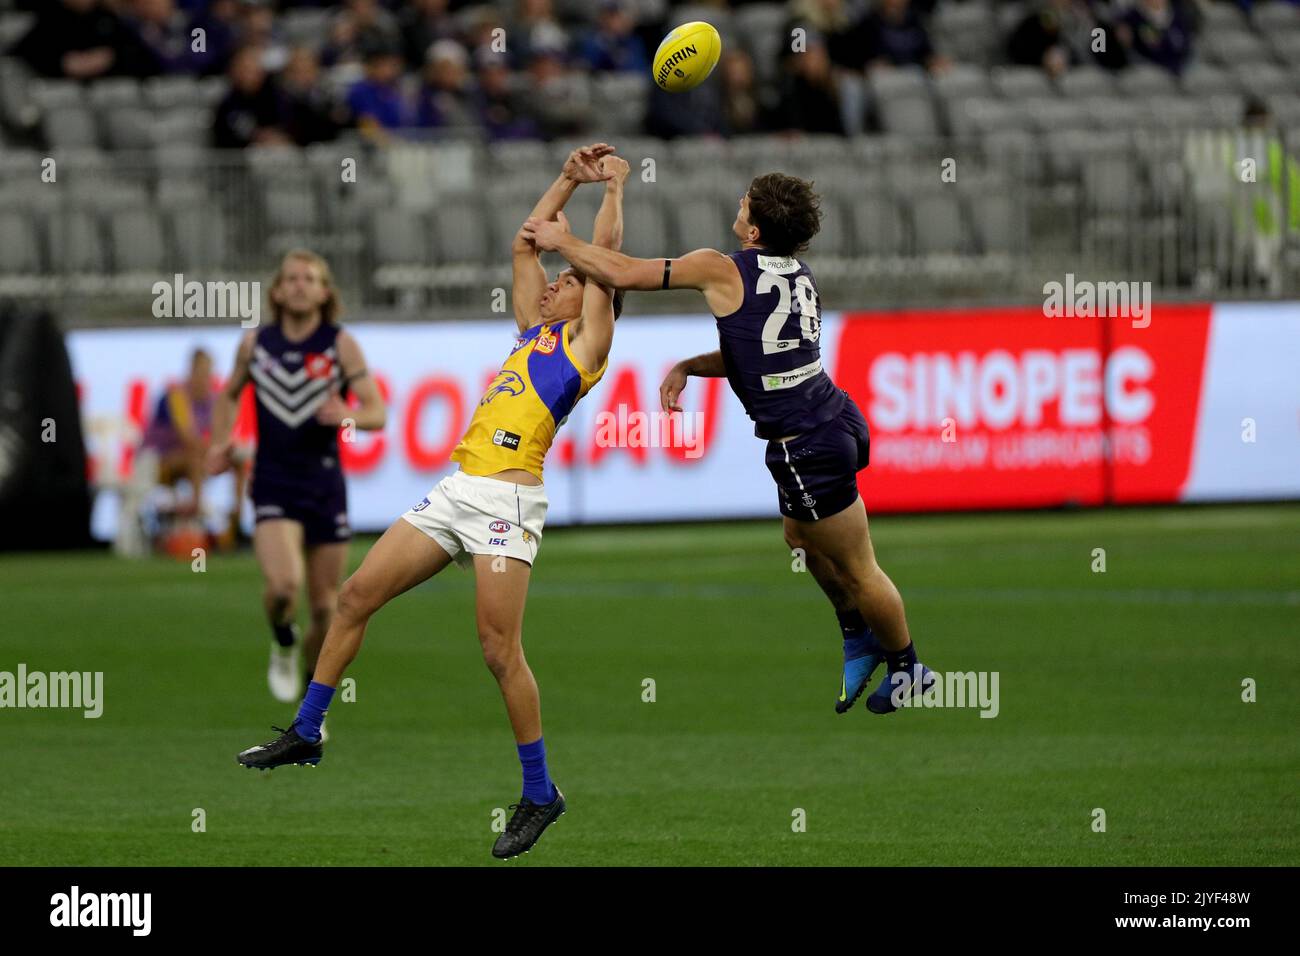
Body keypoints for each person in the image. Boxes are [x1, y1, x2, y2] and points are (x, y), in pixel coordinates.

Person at [237, 146, 630, 861]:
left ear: (591, 298)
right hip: (457, 491)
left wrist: (613, 192)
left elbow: (604, 254)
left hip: (509, 499)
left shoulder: (586, 346)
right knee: (355, 596)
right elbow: (523, 240)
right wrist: (569, 178)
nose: (553, 285)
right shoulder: (534, 332)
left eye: (567, 282)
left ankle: (541, 793)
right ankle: (307, 730)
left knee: (498, 649)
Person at [523, 172, 934, 717]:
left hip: (806, 442)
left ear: (755, 227)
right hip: (832, 418)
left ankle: (907, 667)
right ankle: (856, 633)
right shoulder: (798, 273)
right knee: (800, 539)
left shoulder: (720, 267)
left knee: (859, 567)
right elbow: (759, 358)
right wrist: (691, 365)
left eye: (744, 203)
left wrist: (562, 244)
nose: (736, 206)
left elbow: (625, 273)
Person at [207, 251, 387, 714]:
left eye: (310, 278)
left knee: (327, 607)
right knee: (285, 587)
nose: (300, 285)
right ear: (278, 291)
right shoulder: (255, 344)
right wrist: (221, 441)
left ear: (325, 291)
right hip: (272, 480)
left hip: (324, 484)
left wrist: (349, 413)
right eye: (291, 278)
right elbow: (228, 395)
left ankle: (312, 699)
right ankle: (283, 639)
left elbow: (377, 411)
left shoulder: (340, 344)